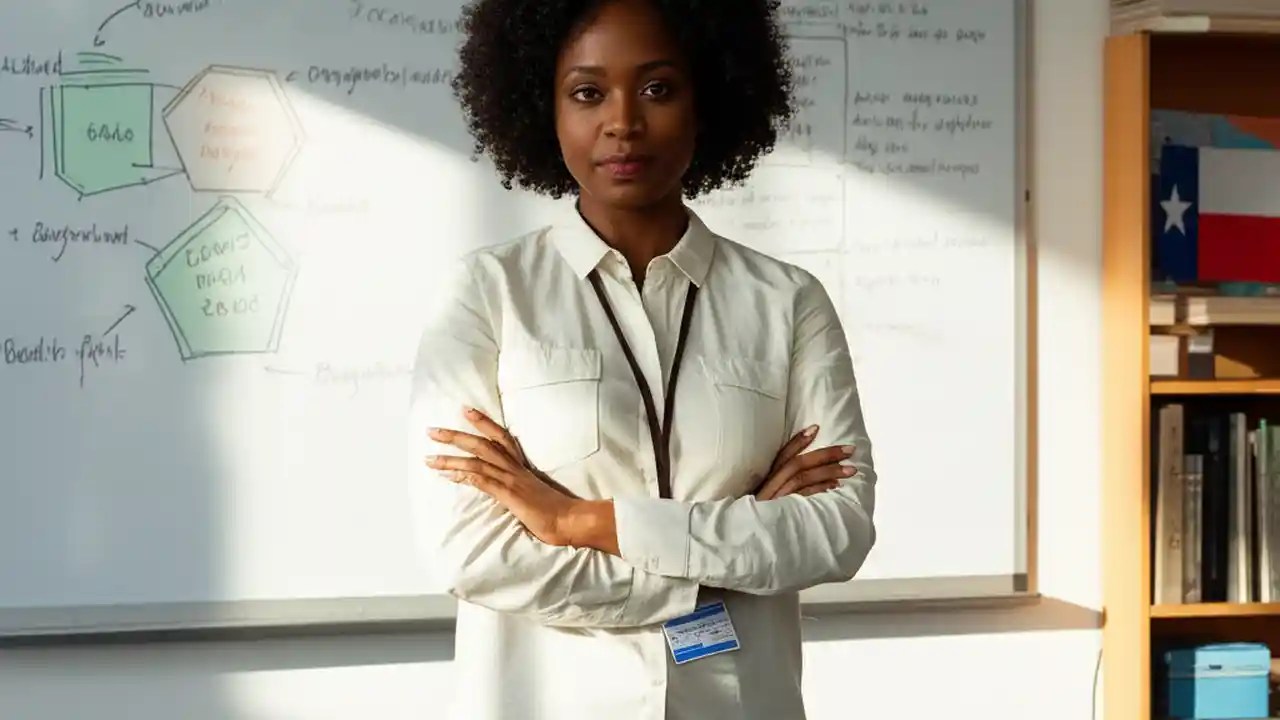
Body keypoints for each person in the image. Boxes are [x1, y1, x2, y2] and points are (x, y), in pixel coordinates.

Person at [407, 0, 877, 717]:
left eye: (658, 88)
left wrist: (578, 522)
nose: (622, 121)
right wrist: (718, 561)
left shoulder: (788, 302)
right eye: (587, 92)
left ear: (708, 96)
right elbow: (471, 553)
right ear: (542, 106)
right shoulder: (486, 295)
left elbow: (836, 530)